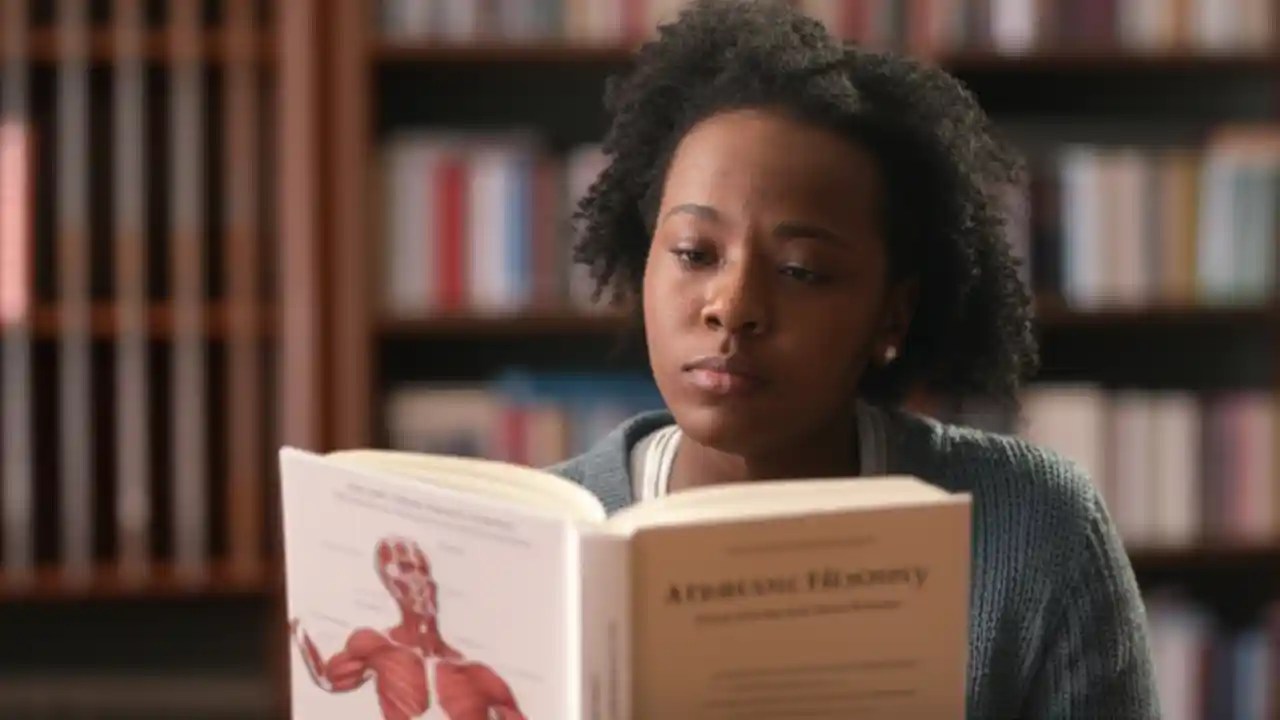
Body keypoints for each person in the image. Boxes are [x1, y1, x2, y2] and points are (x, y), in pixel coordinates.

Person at [547, 1, 1158, 717]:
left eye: (801, 270)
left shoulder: (1036, 531)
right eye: (694, 253)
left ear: (891, 314)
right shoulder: (540, 539)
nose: (732, 306)